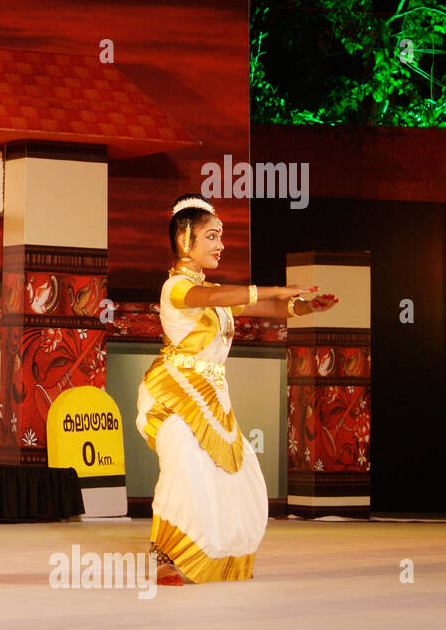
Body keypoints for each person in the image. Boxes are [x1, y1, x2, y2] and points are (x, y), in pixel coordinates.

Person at [135, 194, 338, 585]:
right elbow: (215, 297)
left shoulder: (214, 292)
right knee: (184, 469)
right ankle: (166, 559)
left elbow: (259, 308)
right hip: (175, 393)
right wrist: (271, 288)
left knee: (237, 474)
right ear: (185, 241)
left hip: (211, 397)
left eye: (221, 236)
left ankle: (215, 556)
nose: (220, 245)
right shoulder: (176, 287)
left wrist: (304, 308)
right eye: (212, 236)